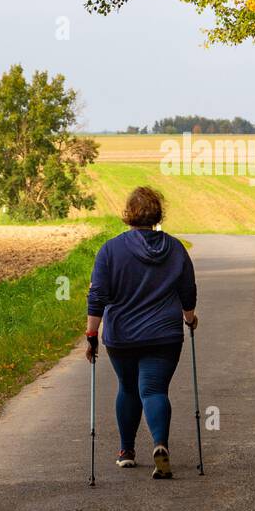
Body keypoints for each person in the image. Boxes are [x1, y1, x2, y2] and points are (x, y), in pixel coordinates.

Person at [85, 186, 197, 479]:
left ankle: (126, 452)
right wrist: (189, 316)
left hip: (122, 335)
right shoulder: (175, 248)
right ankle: (160, 445)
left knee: (128, 387)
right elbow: (187, 289)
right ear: (158, 213)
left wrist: (91, 335)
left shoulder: (110, 250)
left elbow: (97, 295)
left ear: (128, 215)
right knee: (154, 389)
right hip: (164, 334)